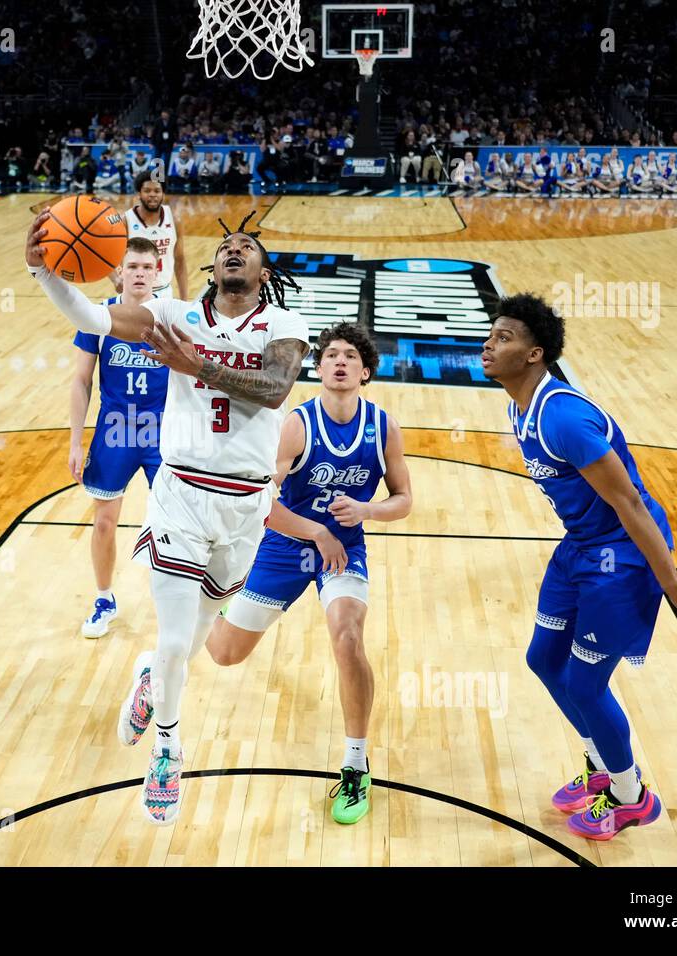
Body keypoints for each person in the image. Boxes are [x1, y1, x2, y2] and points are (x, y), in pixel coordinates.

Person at [29, 208, 309, 825]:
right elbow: (96, 318)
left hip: (245, 509)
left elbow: (274, 388)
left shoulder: (284, 323)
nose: (234, 250)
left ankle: (148, 677)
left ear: (263, 272)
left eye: (247, 247)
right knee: (180, 638)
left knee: (189, 648)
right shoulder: (173, 315)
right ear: (212, 267)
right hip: (180, 492)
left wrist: (197, 367)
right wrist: (43, 272)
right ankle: (167, 748)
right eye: (226, 246)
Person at [482, 293, 677, 841]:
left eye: (505, 338)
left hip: (623, 555)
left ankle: (632, 797)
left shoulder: (563, 417)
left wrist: (670, 581)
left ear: (534, 353)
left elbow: (630, 503)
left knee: (588, 685)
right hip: (581, 547)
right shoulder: (519, 405)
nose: (490, 345)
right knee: (543, 658)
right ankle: (600, 765)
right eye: (492, 334)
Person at [206, 323, 412, 825]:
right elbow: (263, 504)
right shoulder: (296, 424)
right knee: (223, 654)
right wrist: (316, 533)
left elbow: (404, 501)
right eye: (330, 356)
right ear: (319, 370)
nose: (339, 362)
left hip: (345, 549)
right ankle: (207, 604)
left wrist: (366, 511)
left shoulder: (383, 426)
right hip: (285, 544)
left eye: (350, 357)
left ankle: (356, 764)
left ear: (365, 373)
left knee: (347, 636)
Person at [68, 238, 167, 637]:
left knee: (178, 523)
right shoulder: (97, 318)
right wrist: (75, 441)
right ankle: (104, 598)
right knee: (105, 521)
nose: (140, 273)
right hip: (115, 433)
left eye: (147, 266)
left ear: (157, 273)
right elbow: (80, 380)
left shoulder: (173, 318)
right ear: (120, 273)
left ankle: (199, 597)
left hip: (164, 433)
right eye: (133, 267)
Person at [124, 175, 188, 299]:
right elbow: (109, 257)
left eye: (157, 191)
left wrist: (184, 301)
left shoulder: (174, 219)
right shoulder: (126, 220)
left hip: (164, 292)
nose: (152, 194)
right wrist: (116, 279)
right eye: (147, 191)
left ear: (163, 194)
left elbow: (180, 261)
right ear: (139, 194)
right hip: (134, 292)